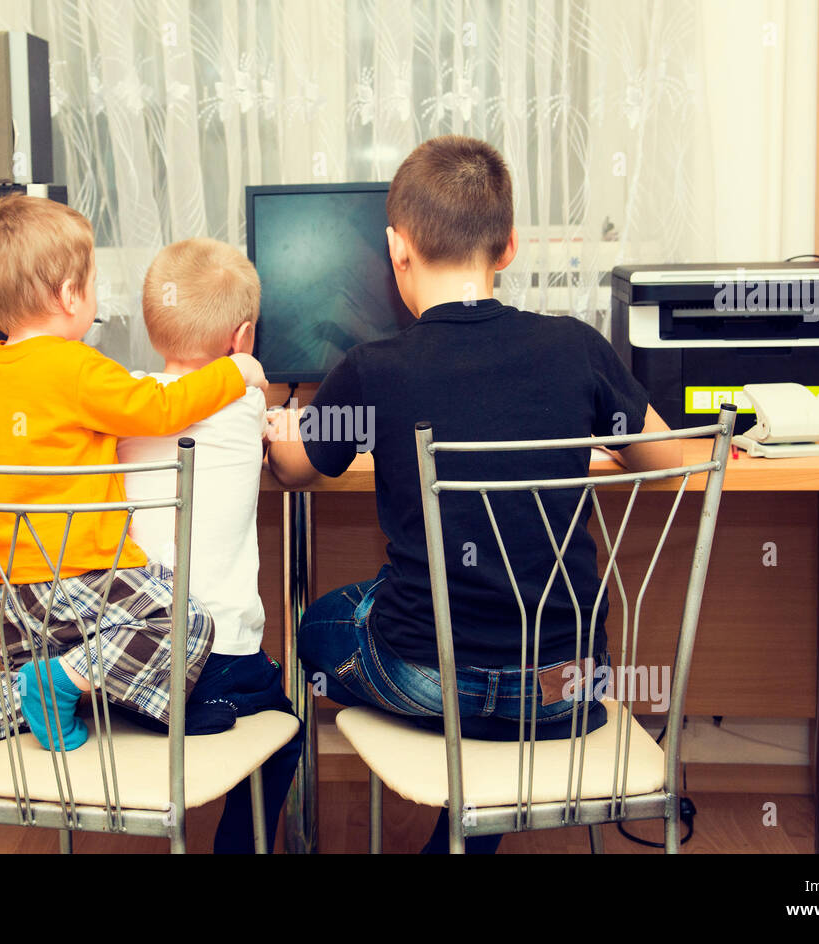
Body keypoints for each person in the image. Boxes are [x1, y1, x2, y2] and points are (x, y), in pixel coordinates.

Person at [265, 135, 679, 853]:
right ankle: (470, 826)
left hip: (431, 683)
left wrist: (279, 426)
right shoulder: (577, 348)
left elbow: (298, 471)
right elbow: (666, 459)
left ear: (398, 249)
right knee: (465, 620)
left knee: (321, 626)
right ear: (510, 247)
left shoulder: (372, 369)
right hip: (566, 691)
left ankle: (431, 810)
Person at [0, 195, 267, 852]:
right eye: (91, 285)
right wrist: (236, 374)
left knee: (21, 685)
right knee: (184, 618)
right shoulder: (78, 367)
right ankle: (61, 682)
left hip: (15, 593)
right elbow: (158, 409)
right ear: (67, 295)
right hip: (88, 578)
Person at [116, 237, 303, 854]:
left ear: (151, 329)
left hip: (124, 666)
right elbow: (281, 446)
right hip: (218, 664)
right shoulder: (248, 404)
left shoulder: (122, 405)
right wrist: (284, 423)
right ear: (242, 338)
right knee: (287, 728)